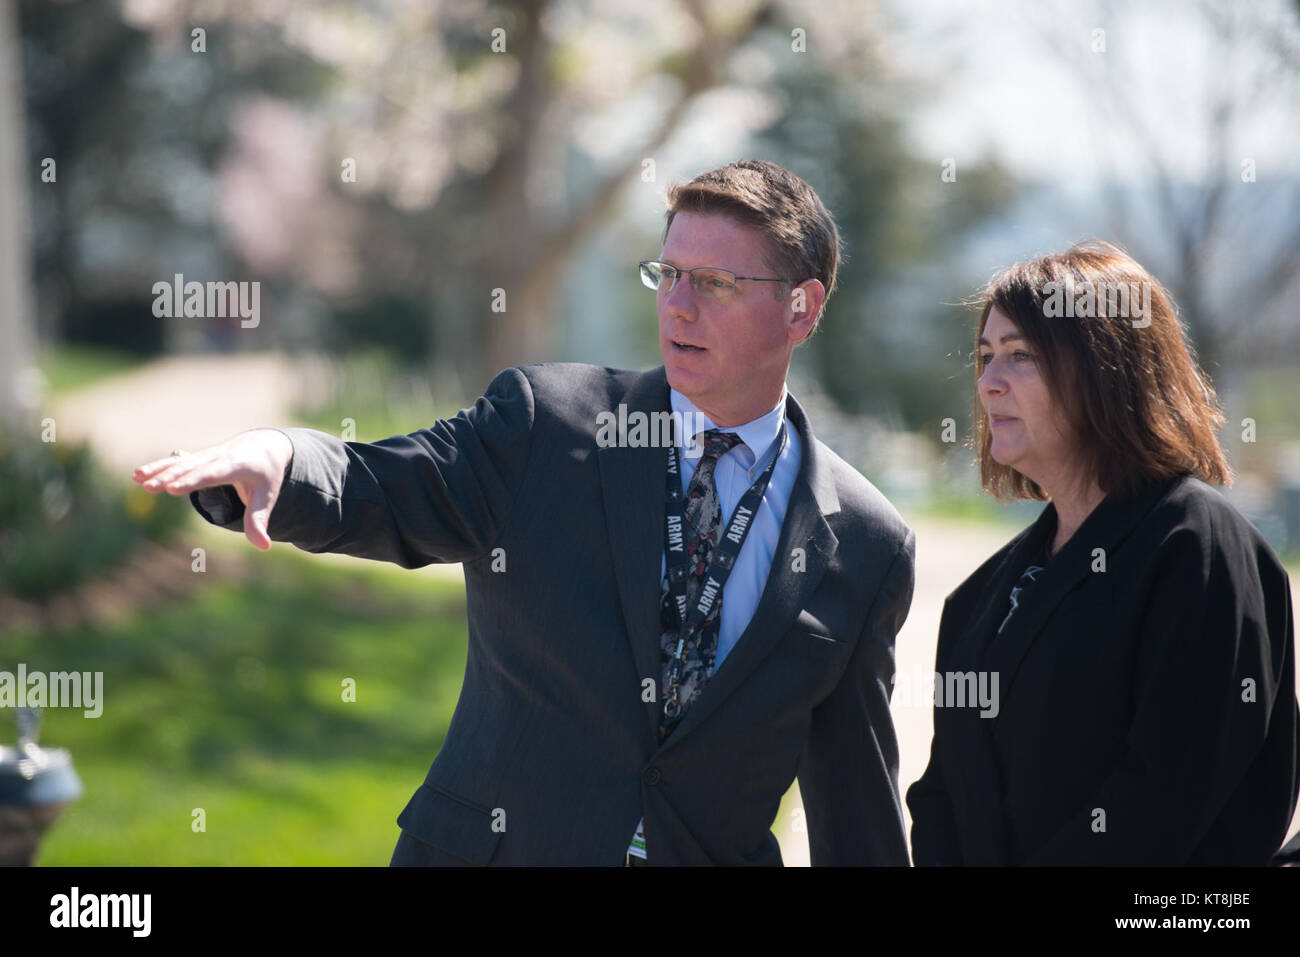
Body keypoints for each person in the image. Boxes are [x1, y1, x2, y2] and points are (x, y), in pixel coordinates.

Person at [132, 159, 916, 866]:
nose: (676, 307)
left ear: (802, 309)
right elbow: (393, 483)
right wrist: (286, 460)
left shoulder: (868, 544)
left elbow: (858, 810)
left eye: (713, 283)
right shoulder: (549, 422)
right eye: (666, 273)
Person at [907, 240, 1300, 866]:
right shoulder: (979, 598)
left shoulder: (1197, 550)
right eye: (984, 357)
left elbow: (1163, 800)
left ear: (1107, 369)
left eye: (1020, 356)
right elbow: (941, 798)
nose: (987, 384)